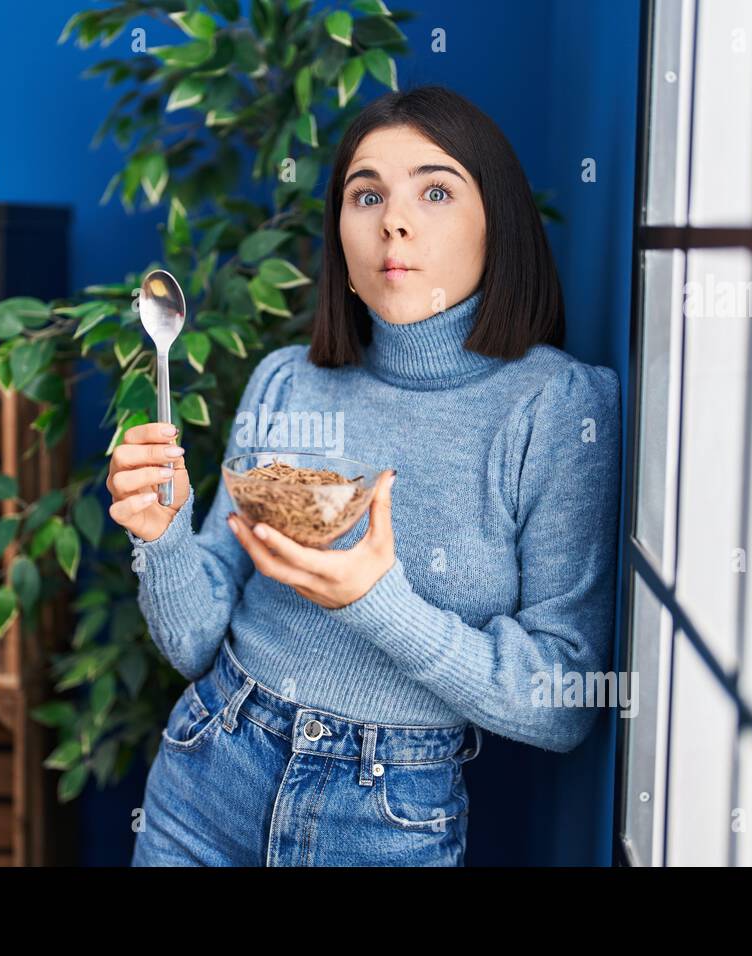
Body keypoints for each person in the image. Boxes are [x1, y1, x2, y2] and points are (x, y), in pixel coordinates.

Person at [107, 85, 622, 866]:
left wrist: (375, 603)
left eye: (437, 190)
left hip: (384, 821)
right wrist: (163, 535)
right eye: (365, 193)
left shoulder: (556, 407)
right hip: (207, 772)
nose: (394, 221)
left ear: (499, 222)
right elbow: (192, 642)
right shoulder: (285, 382)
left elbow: (562, 701)